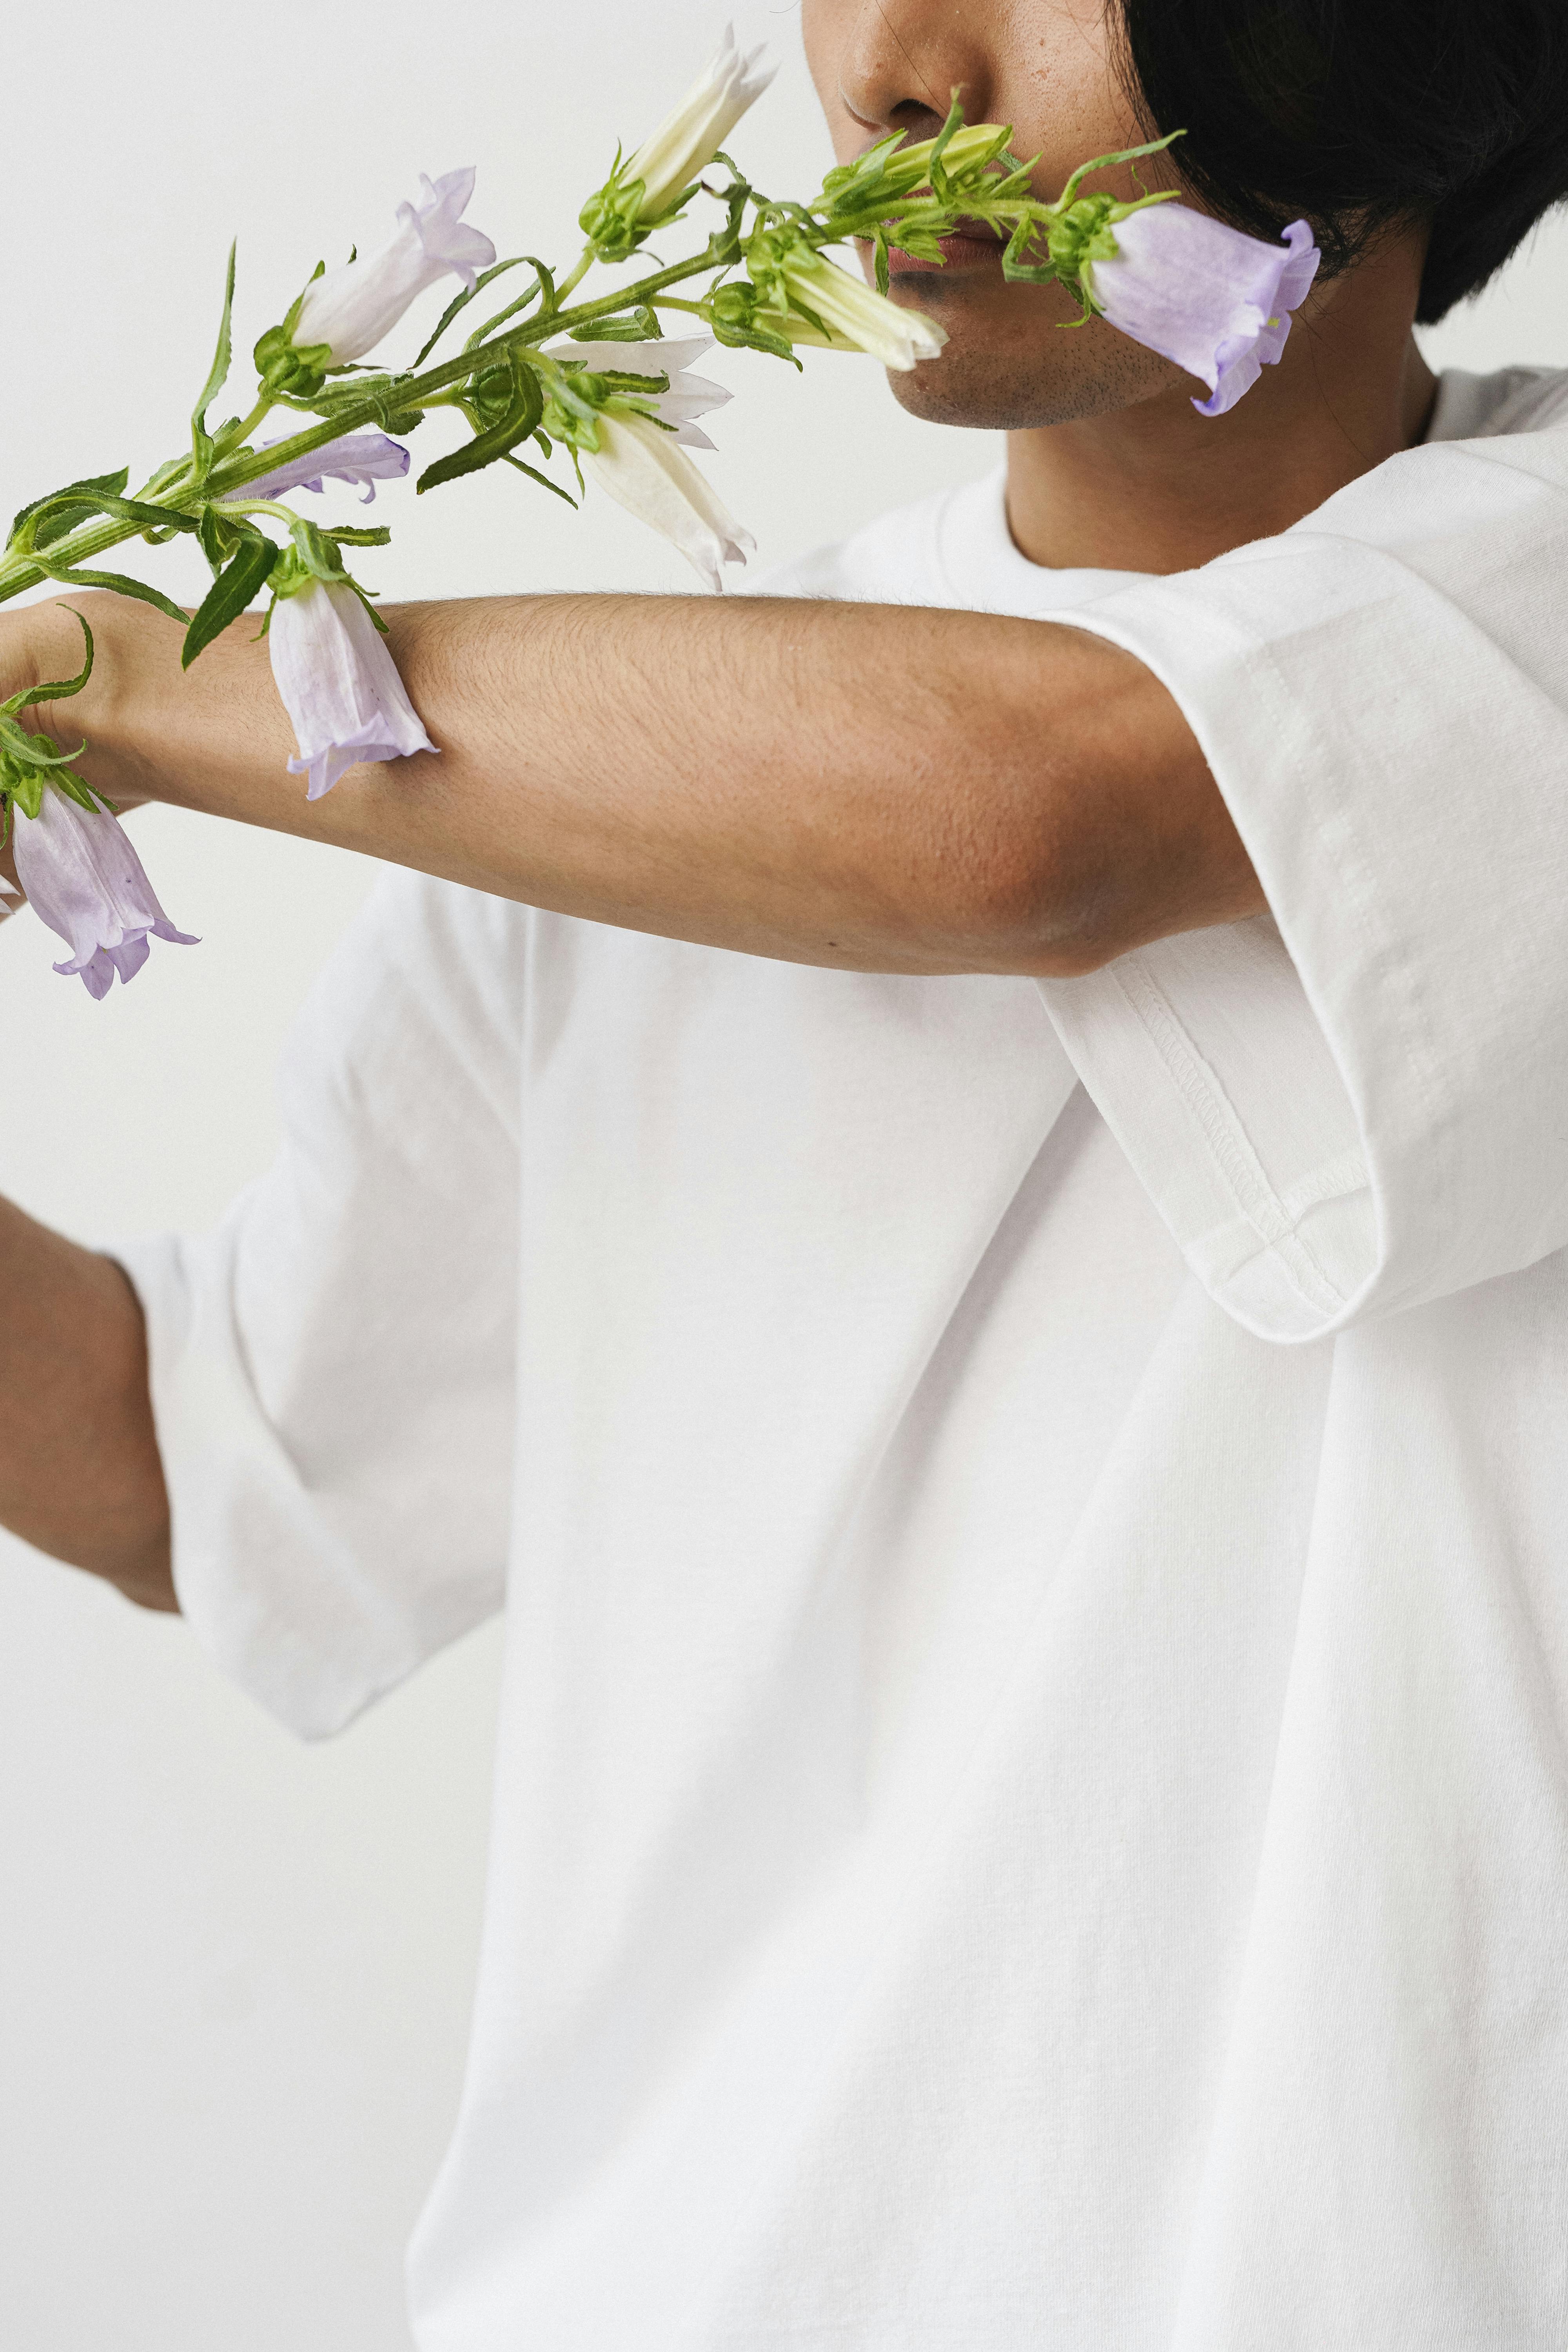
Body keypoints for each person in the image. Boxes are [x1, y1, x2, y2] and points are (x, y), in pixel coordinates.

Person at [7, 0, 1568, 2340]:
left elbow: (1025, 816)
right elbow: (184, 1452)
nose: (900, 71)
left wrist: (101, 677)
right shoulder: (622, 756)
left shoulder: (1523, 569)